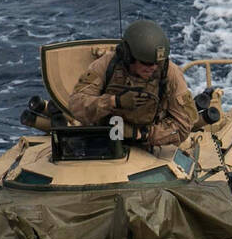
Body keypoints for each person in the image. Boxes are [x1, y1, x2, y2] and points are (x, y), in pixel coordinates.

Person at [66, 19, 199, 149]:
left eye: (157, 63)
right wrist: (114, 102)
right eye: (146, 63)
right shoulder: (106, 65)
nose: (152, 68)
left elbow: (184, 124)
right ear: (128, 56)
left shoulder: (170, 73)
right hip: (103, 137)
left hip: (149, 143)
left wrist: (142, 135)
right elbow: (76, 105)